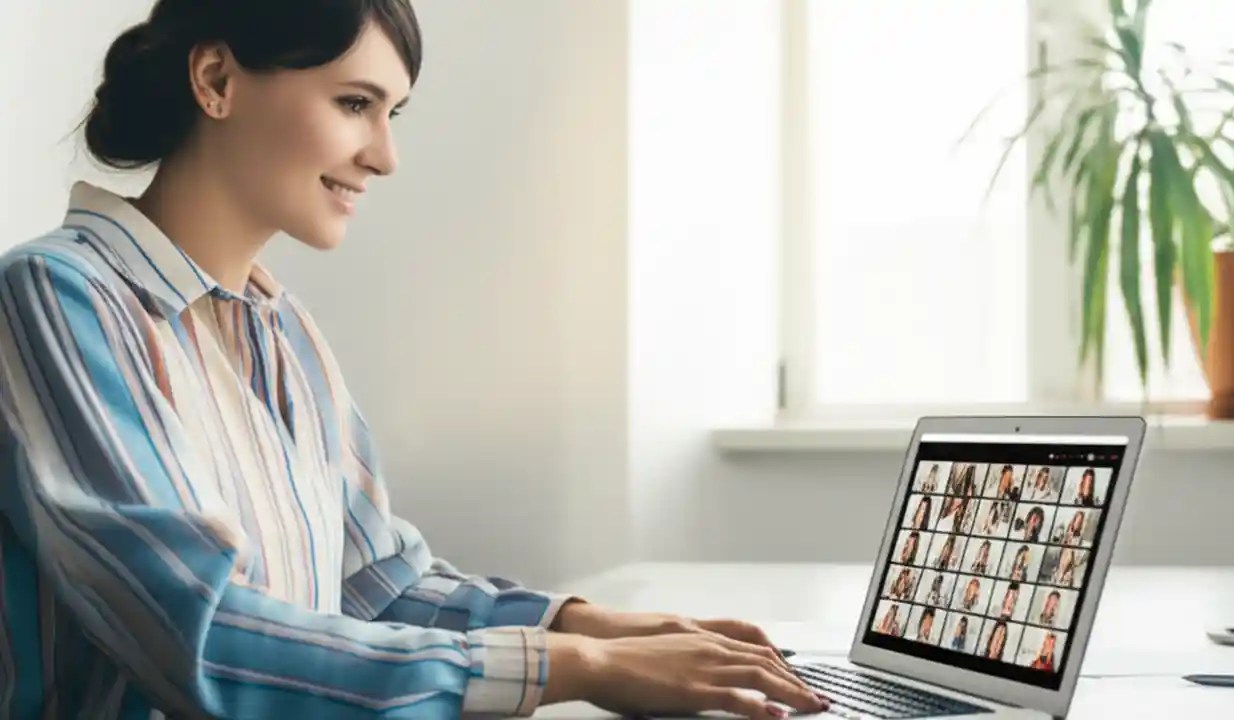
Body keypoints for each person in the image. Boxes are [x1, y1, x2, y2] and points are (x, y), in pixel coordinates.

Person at [0, 3, 826, 719]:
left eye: (393, 112)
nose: (384, 156)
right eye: (355, 103)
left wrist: (592, 625)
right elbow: (197, 635)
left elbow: (379, 586)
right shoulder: (54, 297)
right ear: (215, 79)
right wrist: (578, 669)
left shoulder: (284, 334)